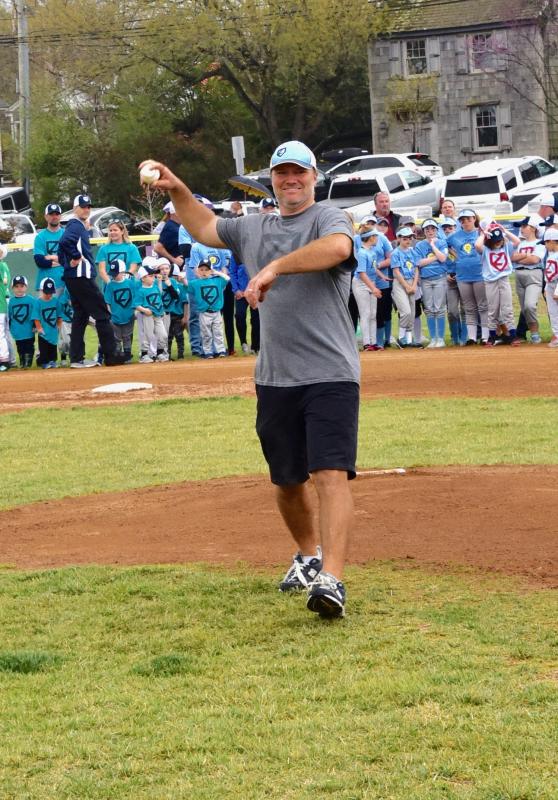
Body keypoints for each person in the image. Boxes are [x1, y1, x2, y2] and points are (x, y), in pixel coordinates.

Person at [142, 140, 359, 619]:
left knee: (330, 473)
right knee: (286, 480)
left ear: (313, 176)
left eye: (299, 172)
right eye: (282, 173)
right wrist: (178, 189)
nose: (291, 180)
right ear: (273, 180)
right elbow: (202, 226)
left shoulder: (328, 218)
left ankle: (333, 579)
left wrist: (275, 267)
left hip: (331, 373)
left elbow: (338, 249)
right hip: (275, 376)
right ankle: (308, 555)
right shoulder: (253, 226)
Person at [57, 194, 127, 368]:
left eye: (88, 206)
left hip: (74, 277)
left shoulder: (76, 226)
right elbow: (65, 242)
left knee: (80, 317)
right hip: (81, 277)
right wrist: (74, 256)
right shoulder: (75, 225)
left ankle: (76, 358)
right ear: (75, 208)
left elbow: (61, 248)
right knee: (102, 313)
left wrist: (67, 263)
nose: (86, 209)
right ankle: (111, 355)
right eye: (83, 206)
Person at [447, 209, 489, 345]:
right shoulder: (455, 236)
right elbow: (444, 244)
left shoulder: (481, 232)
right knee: (469, 307)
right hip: (463, 275)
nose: (465, 222)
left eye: (468, 219)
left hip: (480, 273)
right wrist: (455, 254)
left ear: (474, 219)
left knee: (482, 306)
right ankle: (471, 337)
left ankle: (485, 336)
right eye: (462, 220)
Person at [475, 223, 521, 346]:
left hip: (503, 279)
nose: (498, 243)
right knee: (493, 308)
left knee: (507, 308)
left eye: (500, 240)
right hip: (490, 282)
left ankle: (512, 334)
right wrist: (483, 233)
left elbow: (516, 241)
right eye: (495, 241)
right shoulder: (485, 250)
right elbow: (477, 245)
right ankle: (492, 336)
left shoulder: (505, 247)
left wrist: (504, 230)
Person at [511, 214, 545, 344]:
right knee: (524, 308)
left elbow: (534, 259)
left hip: (534, 274)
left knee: (530, 306)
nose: (521, 228)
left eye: (524, 226)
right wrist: (526, 256)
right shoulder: (520, 243)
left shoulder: (540, 243)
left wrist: (520, 258)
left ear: (533, 228)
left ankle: (535, 334)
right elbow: (512, 258)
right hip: (519, 275)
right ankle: (533, 334)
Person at [415, 218, 448, 348]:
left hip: (439, 277)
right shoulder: (419, 245)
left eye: (432, 229)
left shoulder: (441, 242)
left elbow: (443, 258)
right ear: (424, 231)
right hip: (425, 279)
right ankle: (433, 338)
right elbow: (418, 262)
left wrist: (433, 246)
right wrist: (434, 258)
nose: (430, 231)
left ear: (436, 230)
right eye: (427, 229)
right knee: (429, 309)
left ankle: (440, 338)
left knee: (439, 308)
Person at [187, 260, 230, 358]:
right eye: (201, 270)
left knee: (218, 332)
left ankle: (220, 350)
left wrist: (216, 272)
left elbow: (227, 278)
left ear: (211, 271)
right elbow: (187, 287)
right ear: (197, 271)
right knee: (206, 333)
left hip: (216, 312)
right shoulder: (195, 283)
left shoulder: (217, 280)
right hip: (204, 312)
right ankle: (207, 351)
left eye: (207, 270)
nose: (204, 272)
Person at [352, 229, 382, 351]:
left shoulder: (372, 252)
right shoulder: (362, 253)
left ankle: (373, 342)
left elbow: (374, 268)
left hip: (371, 283)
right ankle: (366, 343)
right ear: (370, 238)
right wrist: (373, 288)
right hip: (361, 283)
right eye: (375, 236)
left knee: (373, 314)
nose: (377, 238)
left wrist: (382, 276)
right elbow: (362, 273)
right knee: (365, 313)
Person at [391, 226, 421, 347]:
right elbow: (397, 272)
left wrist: (413, 285)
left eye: (410, 238)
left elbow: (416, 269)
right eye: (405, 238)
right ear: (399, 239)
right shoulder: (396, 253)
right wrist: (407, 286)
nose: (408, 241)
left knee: (412, 313)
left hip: (411, 282)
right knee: (406, 311)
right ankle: (401, 337)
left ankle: (409, 340)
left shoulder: (413, 252)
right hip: (400, 283)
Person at [104, 258, 136, 362]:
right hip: (115, 316)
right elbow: (107, 301)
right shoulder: (110, 285)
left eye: (116, 273)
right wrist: (109, 313)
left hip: (128, 314)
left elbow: (135, 298)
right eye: (112, 273)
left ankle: (127, 355)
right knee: (116, 338)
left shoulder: (130, 283)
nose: (113, 275)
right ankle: (117, 355)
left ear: (122, 272)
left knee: (127, 336)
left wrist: (135, 311)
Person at [134, 263, 167, 363]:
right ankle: (144, 355)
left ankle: (160, 353)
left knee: (163, 335)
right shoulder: (141, 291)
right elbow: (136, 304)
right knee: (148, 335)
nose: (153, 278)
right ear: (143, 278)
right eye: (150, 276)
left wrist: (162, 310)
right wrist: (144, 310)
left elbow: (159, 297)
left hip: (158, 315)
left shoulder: (155, 287)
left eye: (153, 276)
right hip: (148, 315)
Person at [229, 253, 260, 354]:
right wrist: (236, 289)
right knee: (239, 316)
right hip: (241, 293)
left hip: (255, 291)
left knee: (256, 319)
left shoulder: (256, 251)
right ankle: (243, 342)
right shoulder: (236, 254)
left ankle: (256, 346)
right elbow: (232, 272)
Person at [95, 219, 141, 284]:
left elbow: (133, 268)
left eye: (115, 230)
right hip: (109, 287)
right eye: (110, 230)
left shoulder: (132, 248)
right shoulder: (103, 249)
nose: (112, 232)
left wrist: (122, 282)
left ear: (122, 231)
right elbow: (102, 271)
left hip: (127, 285)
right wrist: (110, 284)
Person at [33, 203, 65, 293]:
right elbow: (40, 262)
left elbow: (71, 258)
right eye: (51, 214)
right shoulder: (40, 237)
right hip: (45, 283)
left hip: (65, 282)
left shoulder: (66, 234)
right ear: (46, 217)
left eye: (57, 214)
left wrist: (51, 257)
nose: (54, 217)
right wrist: (62, 261)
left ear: (60, 216)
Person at [7, 275, 36, 368]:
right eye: (16, 287)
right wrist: (10, 327)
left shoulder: (31, 300)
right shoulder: (10, 302)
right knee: (20, 347)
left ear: (26, 287)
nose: (19, 289)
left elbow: (35, 314)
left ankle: (28, 362)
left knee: (29, 346)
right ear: (12, 288)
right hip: (17, 330)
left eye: (22, 286)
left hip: (28, 329)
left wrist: (35, 325)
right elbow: (10, 316)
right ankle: (22, 361)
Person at [35, 277, 60, 368]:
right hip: (43, 331)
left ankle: (52, 361)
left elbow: (59, 315)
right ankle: (43, 362)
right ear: (41, 290)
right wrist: (39, 328)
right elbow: (36, 317)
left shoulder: (56, 301)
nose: (49, 294)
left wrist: (59, 326)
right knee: (44, 348)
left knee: (53, 346)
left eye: (51, 292)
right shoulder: (38, 302)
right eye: (46, 292)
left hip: (53, 330)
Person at [153, 201, 184, 271]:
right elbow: (157, 248)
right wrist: (174, 260)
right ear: (175, 213)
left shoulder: (176, 226)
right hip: (172, 270)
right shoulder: (171, 227)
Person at [542, 228, 558, 347]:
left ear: (552, 241)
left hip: (556, 285)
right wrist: (547, 287)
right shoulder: (551, 255)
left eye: (546, 243)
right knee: (553, 312)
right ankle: (557, 335)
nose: (545, 245)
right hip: (550, 285)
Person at [0, 244, 12, 371]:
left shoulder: (2, 266)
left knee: (1, 333)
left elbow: (5, 282)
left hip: (0, 304)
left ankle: (5, 360)